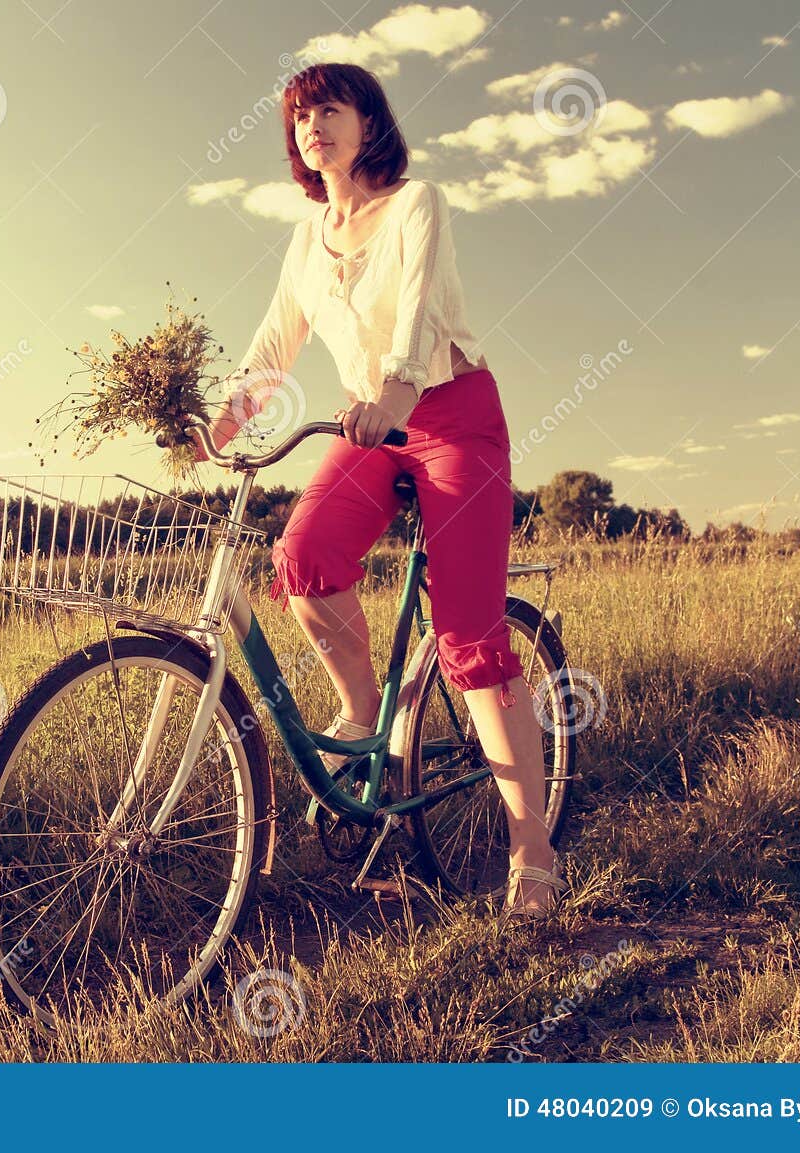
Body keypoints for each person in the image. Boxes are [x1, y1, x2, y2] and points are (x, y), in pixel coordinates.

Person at [195, 61, 564, 920]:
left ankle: (532, 850)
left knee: (468, 635)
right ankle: (365, 710)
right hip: (367, 420)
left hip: (450, 413)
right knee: (304, 555)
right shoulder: (304, 239)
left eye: (331, 108)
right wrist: (223, 418)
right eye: (299, 116)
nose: (312, 124)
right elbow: (272, 345)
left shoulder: (416, 204)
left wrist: (398, 388)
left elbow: (420, 309)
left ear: (368, 125)